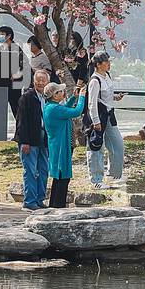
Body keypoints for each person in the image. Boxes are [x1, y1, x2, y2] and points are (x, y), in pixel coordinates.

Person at [42, 80, 87, 208]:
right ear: (55, 95)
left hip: (58, 145)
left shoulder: (51, 107)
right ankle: (58, 205)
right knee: (63, 177)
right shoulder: (55, 109)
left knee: (58, 177)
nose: (63, 93)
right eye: (60, 91)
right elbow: (77, 112)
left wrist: (74, 97)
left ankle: (54, 204)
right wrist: (82, 97)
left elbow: (65, 109)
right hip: (61, 146)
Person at [85, 51, 126, 188]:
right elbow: (92, 103)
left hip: (109, 115)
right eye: (106, 61)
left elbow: (106, 95)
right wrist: (96, 122)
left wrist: (116, 97)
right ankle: (96, 180)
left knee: (118, 144)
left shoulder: (106, 76)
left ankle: (114, 174)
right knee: (96, 146)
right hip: (99, 117)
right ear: (98, 65)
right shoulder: (94, 81)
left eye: (109, 61)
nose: (109, 63)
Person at [12, 69, 50, 210]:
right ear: (34, 81)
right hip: (29, 139)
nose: (40, 82)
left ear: (47, 82)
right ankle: (29, 201)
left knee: (43, 170)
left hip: (44, 139)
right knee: (30, 171)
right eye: (38, 80)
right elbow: (21, 122)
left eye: (43, 80)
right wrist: (24, 142)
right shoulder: (27, 97)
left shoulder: (47, 98)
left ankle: (40, 199)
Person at [0, 25, 28, 120]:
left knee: (16, 108)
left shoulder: (16, 49)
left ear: (9, 35)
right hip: (2, 82)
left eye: (2, 34)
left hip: (14, 83)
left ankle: (21, 129)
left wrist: (16, 75)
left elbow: (25, 65)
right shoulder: (1, 47)